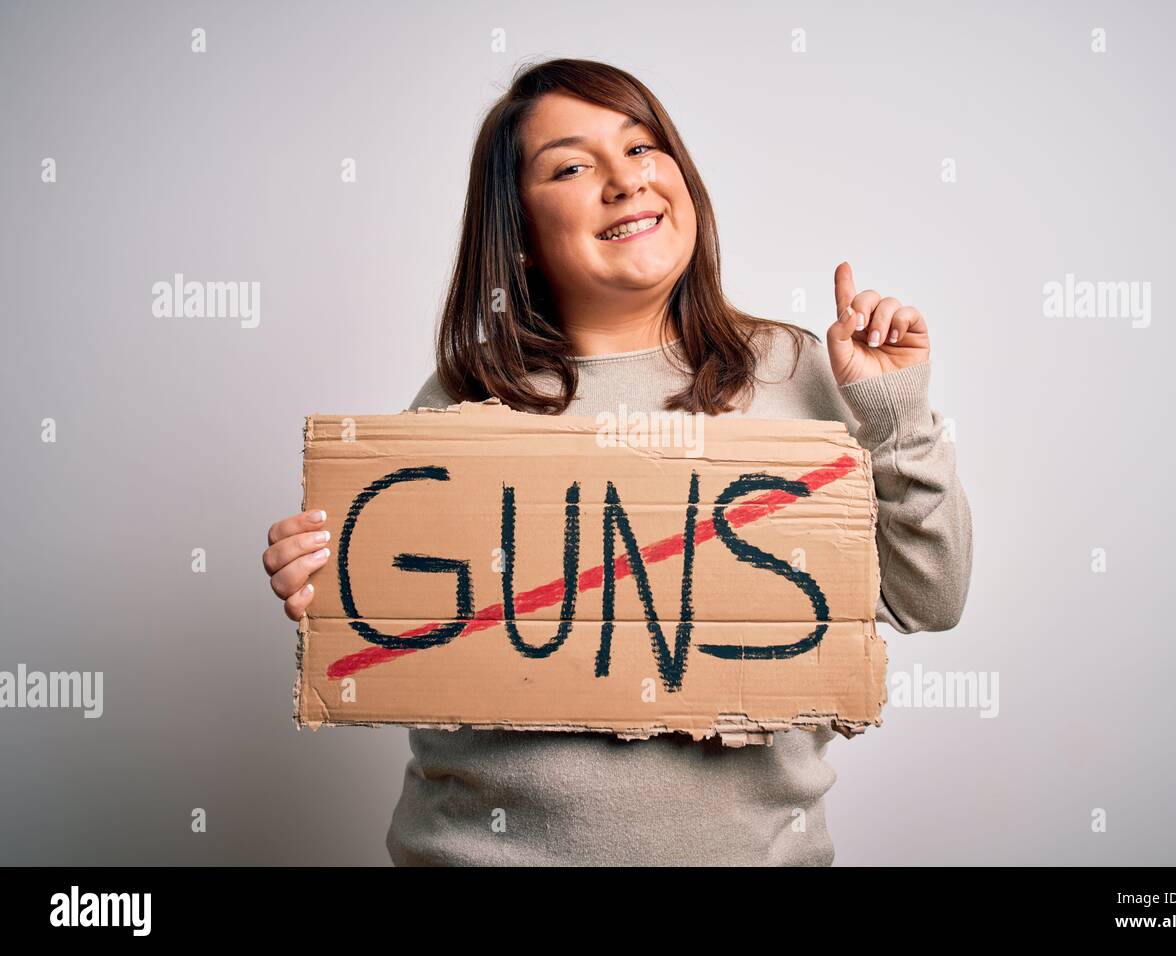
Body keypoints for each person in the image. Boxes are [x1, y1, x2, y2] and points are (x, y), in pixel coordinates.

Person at [262, 58, 973, 866]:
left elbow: (930, 599)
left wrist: (897, 420)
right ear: (520, 234)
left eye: (641, 148)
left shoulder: (795, 370)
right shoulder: (465, 400)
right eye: (570, 165)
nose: (622, 180)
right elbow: (413, 640)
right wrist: (327, 582)